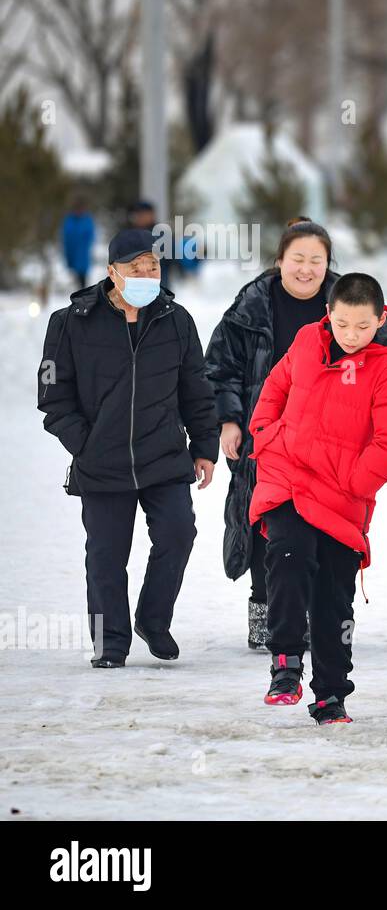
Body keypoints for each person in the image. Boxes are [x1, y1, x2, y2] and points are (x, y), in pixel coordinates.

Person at [37, 227, 218, 667]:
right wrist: (85, 444)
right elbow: (52, 396)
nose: (145, 273)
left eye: (152, 266)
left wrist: (204, 447)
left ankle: (153, 621)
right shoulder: (70, 322)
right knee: (105, 555)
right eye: (134, 267)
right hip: (102, 463)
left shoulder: (176, 320)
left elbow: (197, 389)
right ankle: (110, 643)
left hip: (163, 456)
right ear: (111, 272)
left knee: (178, 533)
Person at [248, 272, 387, 725]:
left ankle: (330, 695)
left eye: (363, 326)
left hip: (341, 495)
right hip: (288, 475)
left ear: (380, 319)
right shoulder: (306, 340)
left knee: (333, 599)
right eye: (343, 324)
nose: (352, 335)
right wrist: (265, 435)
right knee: (287, 554)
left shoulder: (386, 367)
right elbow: (275, 387)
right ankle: (284, 661)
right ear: (329, 314)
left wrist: (354, 483)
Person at [205, 217, 338, 651]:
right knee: (268, 522)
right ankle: (264, 608)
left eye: (315, 260)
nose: (306, 269)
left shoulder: (344, 301)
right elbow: (219, 368)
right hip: (266, 434)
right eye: (297, 258)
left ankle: (324, 613)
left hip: (328, 436)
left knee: (325, 522)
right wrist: (229, 420)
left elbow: (384, 343)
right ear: (279, 260)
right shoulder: (251, 306)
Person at [61, 198, 95, 291]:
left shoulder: (87, 220)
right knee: (74, 271)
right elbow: (65, 235)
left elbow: (91, 236)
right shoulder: (69, 220)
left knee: (82, 273)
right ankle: (78, 288)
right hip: (71, 250)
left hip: (83, 252)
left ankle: (82, 289)